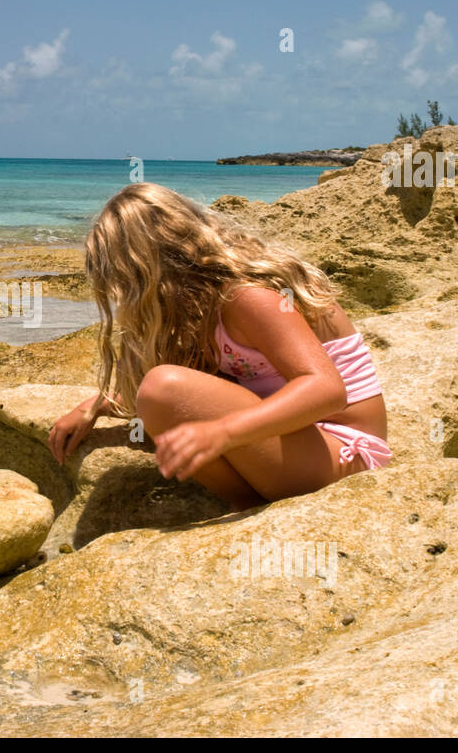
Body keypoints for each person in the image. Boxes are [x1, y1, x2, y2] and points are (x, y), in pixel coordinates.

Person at [48, 182, 390, 511]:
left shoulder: (249, 296)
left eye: (122, 280)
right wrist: (95, 407)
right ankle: (246, 502)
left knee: (161, 388)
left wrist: (224, 432)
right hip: (304, 446)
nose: (120, 294)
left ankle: (245, 504)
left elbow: (327, 390)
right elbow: (201, 383)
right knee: (160, 390)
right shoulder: (204, 305)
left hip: (345, 452)